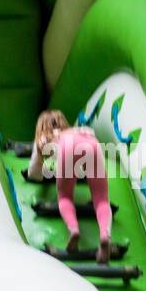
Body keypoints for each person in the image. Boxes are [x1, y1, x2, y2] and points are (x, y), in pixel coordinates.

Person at [28, 110, 113, 262]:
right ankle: (105, 235)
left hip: (67, 149)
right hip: (91, 143)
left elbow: (34, 173)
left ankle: (74, 229)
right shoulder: (79, 130)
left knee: (65, 197)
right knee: (101, 199)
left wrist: (48, 169)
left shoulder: (43, 138)